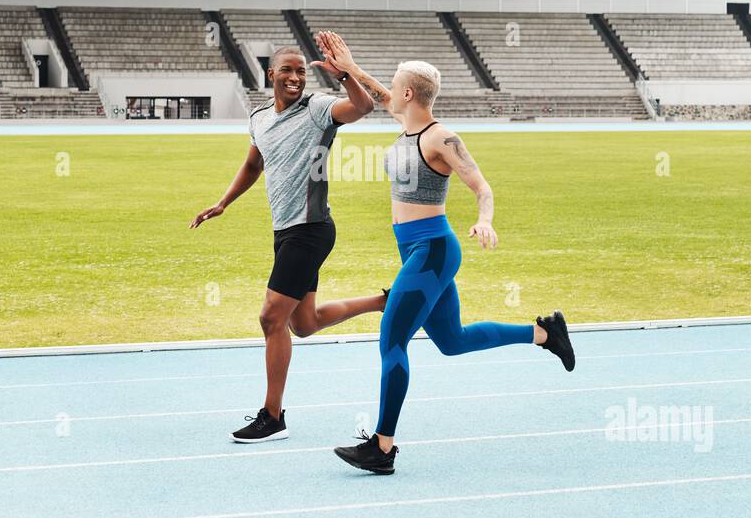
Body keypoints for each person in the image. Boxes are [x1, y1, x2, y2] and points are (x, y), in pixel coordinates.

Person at [311, 32, 575, 474]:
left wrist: (485, 219)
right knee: (451, 341)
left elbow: (481, 186)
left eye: (395, 87)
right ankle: (546, 334)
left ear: (409, 94)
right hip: (416, 249)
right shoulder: (409, 125)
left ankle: (383, 446)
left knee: (392, 340)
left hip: (433, 250)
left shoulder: (441, 138)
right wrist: (352, 69)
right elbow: (383, 93)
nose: (387, 92)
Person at [191, 43, 384, 443]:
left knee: (270, 318)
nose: (295, 78)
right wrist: (223, 202)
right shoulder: (259, 118)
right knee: (304, 323)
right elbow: (252, 164)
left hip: (310, 229)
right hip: (285, 231)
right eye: (287, 71)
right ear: (270, 74)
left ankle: (273, 415)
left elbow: (363, 107)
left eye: (301, 71)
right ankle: (385, 300)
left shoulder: (317, 109)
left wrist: (345, 73)